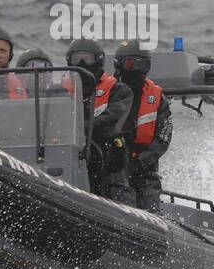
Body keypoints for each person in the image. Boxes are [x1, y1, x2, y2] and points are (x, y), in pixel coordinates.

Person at [64, 38, 133, 204]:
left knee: (119, 192)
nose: (81, 63)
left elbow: (112, 121)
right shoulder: (59, 90)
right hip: (68, 157)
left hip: (107, 161)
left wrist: (81, 129)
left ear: (99, 60)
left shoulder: (118, 91)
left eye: (86, 58)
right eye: (77, 59)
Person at [113, 39, 172, 212]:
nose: (136, 70)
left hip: (143, 170)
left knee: (149, 203)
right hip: (112, 168)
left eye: (142, 65)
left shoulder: (157, 99)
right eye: (131, 64)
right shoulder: (107, 92)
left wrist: (138, 162)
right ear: (119, 64)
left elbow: (163, 137)